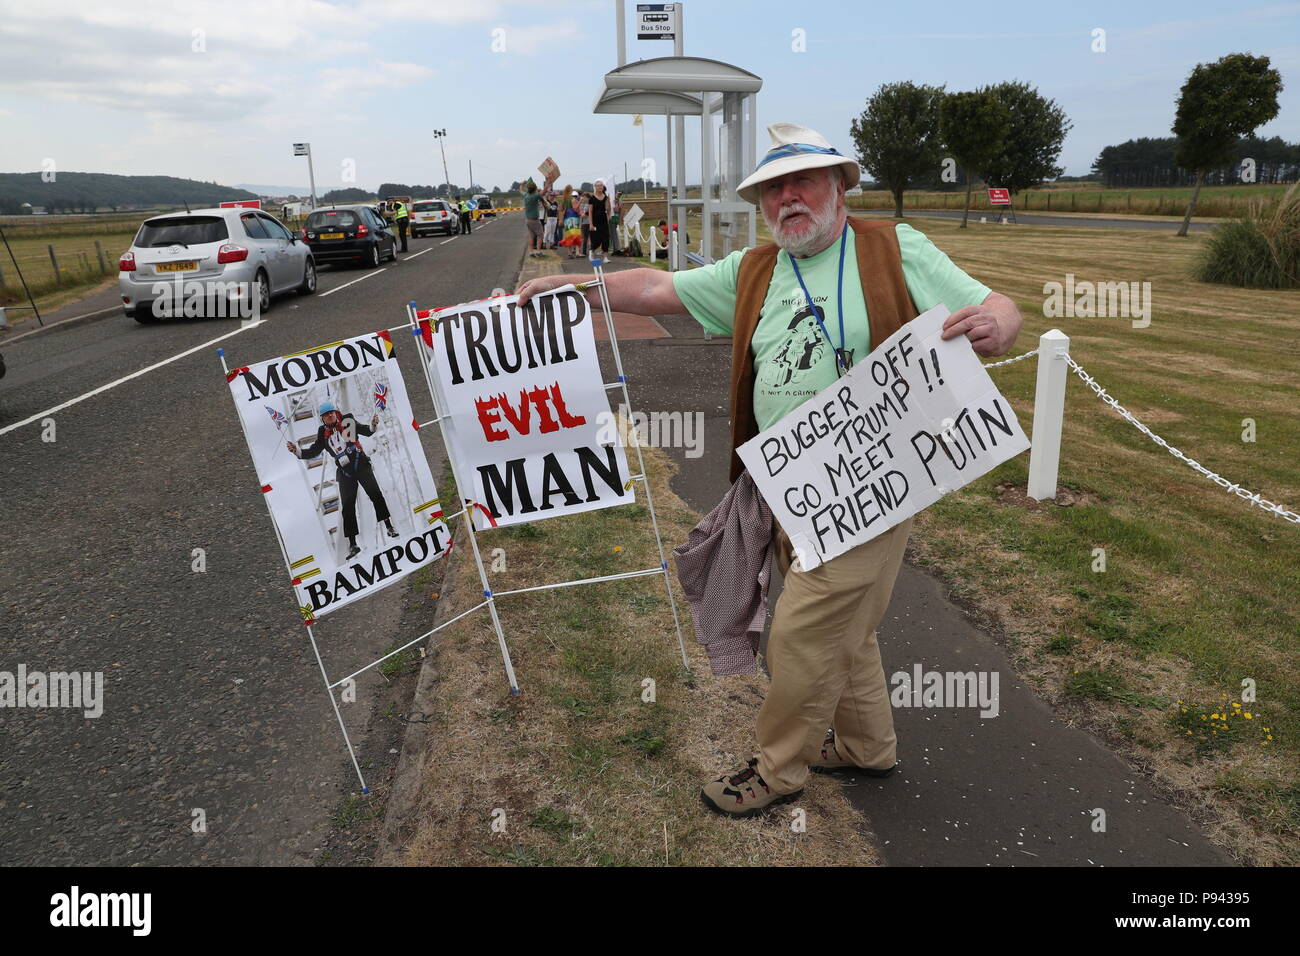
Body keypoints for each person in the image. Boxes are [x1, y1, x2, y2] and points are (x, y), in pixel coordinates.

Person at [516, 122, 1023, 818]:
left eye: (803, 182)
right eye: (772, 189)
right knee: (848, 630)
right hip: (784, 484)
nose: (787, 198)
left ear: (839, 186)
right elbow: (660, 286)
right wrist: (577, 291)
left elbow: (994, 303)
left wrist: (999, 325)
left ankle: (778, 767)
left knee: (800, 634)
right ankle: (866, 748)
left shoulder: (892, 248)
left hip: (873, 482)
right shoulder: (755, 270)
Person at [287, 401, 399, 561]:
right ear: (322, 419)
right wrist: (296, 451)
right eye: (326, 415)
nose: (330, 416)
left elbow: (366, 431)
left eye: (332, 413)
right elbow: (313, 451)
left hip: (360, 464)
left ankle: (389, 526)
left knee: (375, 494)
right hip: (345, 472)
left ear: (336, 413)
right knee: (347, 506)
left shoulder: (347, 421)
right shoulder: (322, 433)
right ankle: (353, 544)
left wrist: (373, 425)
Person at [588, 180, 611, 256]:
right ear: (595, 187)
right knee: (596, 240)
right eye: (598, 186)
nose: (600, 187)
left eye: (601, 185)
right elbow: (590, 212)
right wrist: (591, 224)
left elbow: (608, 210)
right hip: (595, 222)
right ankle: (592, 250)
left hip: (604, 222)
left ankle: (605, 257)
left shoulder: (606, 198)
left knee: (606, 239)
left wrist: (608, 219)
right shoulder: (592, 198)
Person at [522, 180, 544, 257]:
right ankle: (538, 251)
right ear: (535, 189)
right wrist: (548, 183)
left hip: (528, 220)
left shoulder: (525, 195)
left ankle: (531, 252)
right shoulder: (535, 196)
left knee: (531, 236)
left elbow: (520, 190)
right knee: (540, 235)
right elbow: (543, 192)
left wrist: (522, 184)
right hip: (535, 220)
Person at [559, 194, 583, 258]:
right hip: (574, 220)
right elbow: (576, 209)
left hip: (567, 221)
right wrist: (580, 201)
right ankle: (576, 253)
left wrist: (561, 220)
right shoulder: (575, 201)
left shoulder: (566, 202)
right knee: (576, 236)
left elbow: (561, 211)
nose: (575, 198)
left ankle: (570, 253)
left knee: (569, 236)